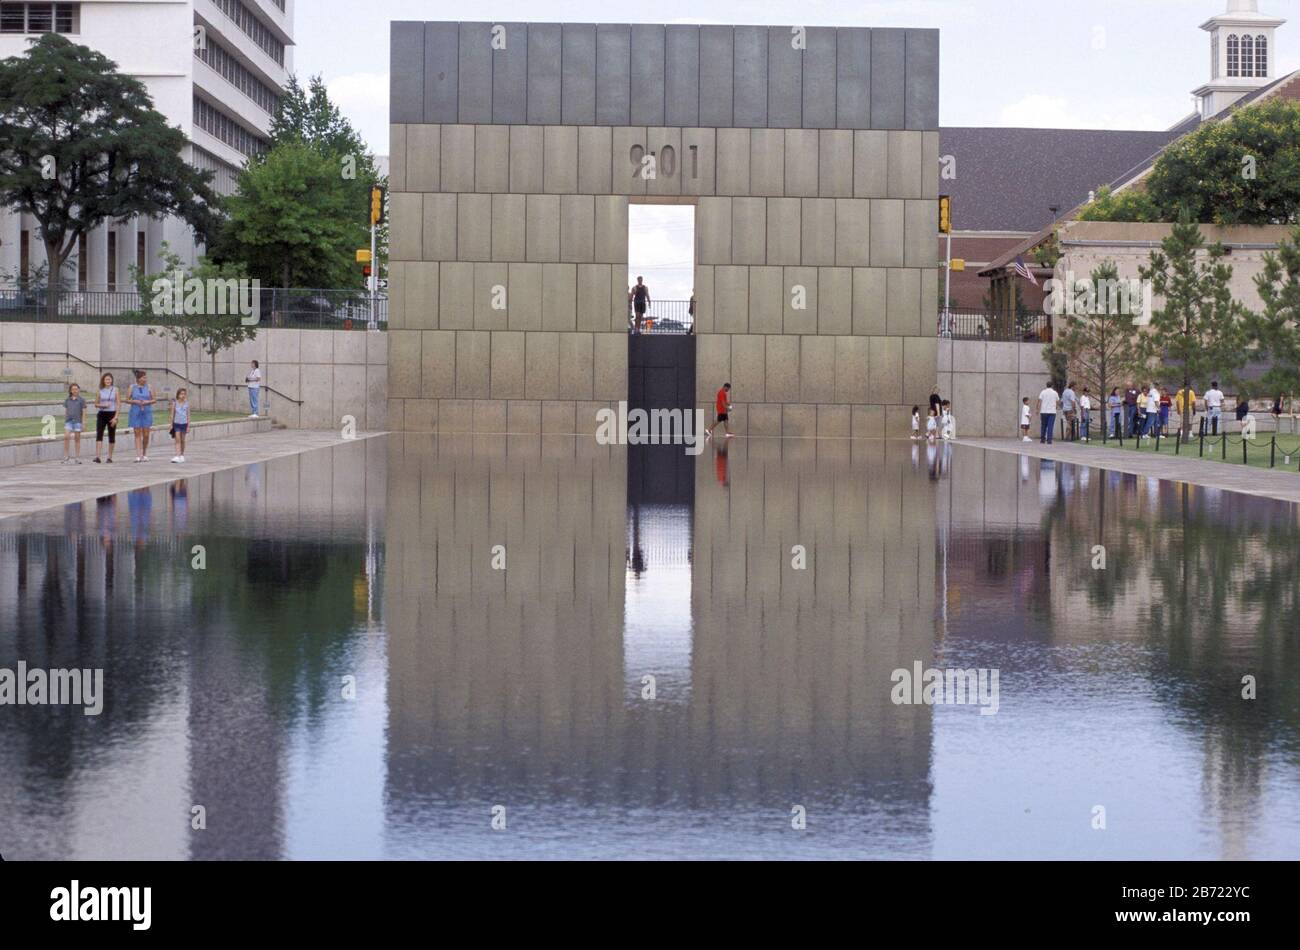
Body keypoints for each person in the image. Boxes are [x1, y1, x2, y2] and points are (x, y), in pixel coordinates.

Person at [126, 370, 156, 462]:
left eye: (145, 377)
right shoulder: (132, 387)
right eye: (143, 377)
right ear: (138, 379)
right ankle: (138, 455)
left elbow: (154, 399)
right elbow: (127, 399)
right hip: (136, 411)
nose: (145, 379)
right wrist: (135, 401)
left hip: (146, 411)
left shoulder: (149, 387)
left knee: (146, 434)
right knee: (137, 433)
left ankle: (144, 453)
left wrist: (147, 402)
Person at [93, 372, 118, 464]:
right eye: (106, 379)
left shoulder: (115, 390)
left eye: (109, 379)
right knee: (99, 434)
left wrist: (116, 417)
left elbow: (118, 404)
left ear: (112, 380)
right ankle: (98, 456)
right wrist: (103, 405)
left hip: (112, 414)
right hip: (102, 414)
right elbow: (96, 404)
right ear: (103, 380)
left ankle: (110, 457)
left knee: (112, 435)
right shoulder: (100, 390)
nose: (108, 381)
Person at [62, 383, 86, 464]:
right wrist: (65, 420)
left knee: (77, 438)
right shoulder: (67, 400)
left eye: (76, 389)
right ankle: (66, 457)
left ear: (78, 390)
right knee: (66, 437)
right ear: (71, 391)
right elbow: (66, 411)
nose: (75, 391)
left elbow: (84, 412)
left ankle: (77, 457)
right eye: (73, 389)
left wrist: (83, 423)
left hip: (78, 421)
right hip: (69, 421)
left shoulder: (82, 400)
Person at [170, 387, 191, 464]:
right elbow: (172, 414)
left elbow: (188, 415)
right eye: (181, 394)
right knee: (177, 439)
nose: (183, 395)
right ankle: (177, 455)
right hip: (176, 424)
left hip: (184, 424)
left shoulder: (187, 403)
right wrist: (171, 425)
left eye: (184, 394)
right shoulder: (174, 403)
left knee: (182, 440)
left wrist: (188, 426)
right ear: (178, 395)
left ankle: (182, 455)